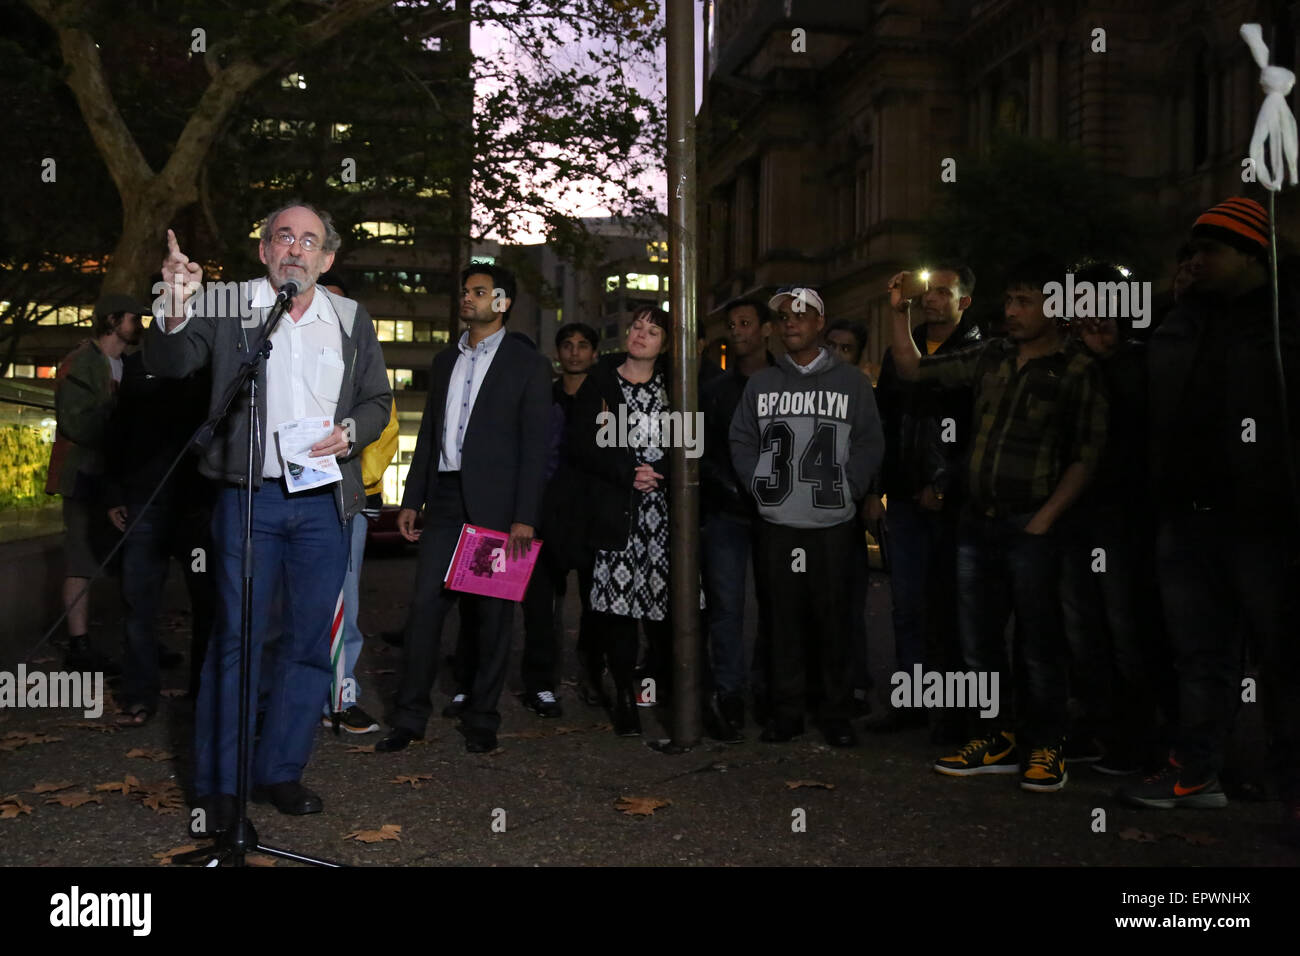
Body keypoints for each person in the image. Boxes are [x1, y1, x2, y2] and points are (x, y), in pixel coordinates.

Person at [146, 203, 392, 830]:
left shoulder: (351, 318)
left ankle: (279, 770)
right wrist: (175, 302)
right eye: (284, 236)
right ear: (264, 249)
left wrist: (352, 431)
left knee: (309, 644)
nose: (295, 249)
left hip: (322, 503)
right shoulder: (229, 303)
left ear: (327, 259)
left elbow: (377, 400)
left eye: (310, 241)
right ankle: (219, 784)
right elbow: (171, 362)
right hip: (248, 497)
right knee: (237, 640)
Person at [887, 257, 1107, 793]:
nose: (1011, 311)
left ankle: (1046, 745)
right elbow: (914, 369)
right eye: (1008, 300)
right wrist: (898, 314)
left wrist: (1044, 520)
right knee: (978, 642)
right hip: (976, 524)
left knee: (1039, 641)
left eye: (1024, 301)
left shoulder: (1077, 369)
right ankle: (997, 738)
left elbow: (1087, 454)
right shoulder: (991, 355)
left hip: (1031, 525)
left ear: (1053, 309)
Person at [1121, 199, 1300, 846]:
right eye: (1190, 250)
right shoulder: (1182, 319)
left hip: (1267, 523)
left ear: (1254, 255)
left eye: (1211, 250)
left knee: (1285, 661)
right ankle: (1196, 772)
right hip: (1187, 520)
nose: (1195, 260)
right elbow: (1141, 400)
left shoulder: (1284, 318)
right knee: (1199, 657)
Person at [376, 264, 551, 755]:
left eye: (478, 292)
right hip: (447, 500)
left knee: (493, 615)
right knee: (425, 608)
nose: (466, 298)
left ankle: (482, 716)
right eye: (465, 290)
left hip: (499, 507)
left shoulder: (528, 365)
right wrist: (413, 498)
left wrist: (525, 516)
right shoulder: (444, 361)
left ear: (502, 302)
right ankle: (410, 716)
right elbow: (429, 434)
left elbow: (535, 448)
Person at [729, 287, 885, 748]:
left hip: (831, 523)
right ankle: (787, 713)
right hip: (778, 522)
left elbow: (870, 442)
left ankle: (835, 713)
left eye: (801, 315)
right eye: (783, 317)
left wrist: (848, 489)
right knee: (781, 621)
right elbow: (740, 439)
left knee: (833, 619)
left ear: (820, 323)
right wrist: (760, 485)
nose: (790, 323)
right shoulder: (761, 383)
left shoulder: (852, 383)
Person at [1057, 262, 1167, 774]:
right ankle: (1097, 727)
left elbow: (1143, 428)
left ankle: (1140, 738)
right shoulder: (1064, 362)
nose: (1088, 316)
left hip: (1123, 517)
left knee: (1128, 628)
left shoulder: (1143, 360)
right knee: (1082, 629)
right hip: (1075, 516)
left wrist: (1108, 357)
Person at [870, 263, 981, 739]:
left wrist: (944, 483)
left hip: (954, 503)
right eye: (928, 291)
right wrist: (876, 488)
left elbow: (976, 430)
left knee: (955, 607)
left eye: (943, 292)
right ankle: (912, 703)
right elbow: (885, 422)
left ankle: (955, 713)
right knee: (907, 605)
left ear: (964, 301)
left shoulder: (979, 350)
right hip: (906, 497)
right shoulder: (903, 348)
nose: (932, 299)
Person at [570, 308, 682, 736]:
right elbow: (581, 445)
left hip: (665, 515)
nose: (641, 334)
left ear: (665, 344)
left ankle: (657, 694)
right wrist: (626, 473)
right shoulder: (600, 381)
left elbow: (692, 441)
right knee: (618, 611)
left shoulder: (674, 384)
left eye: (653, 331)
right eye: (637, 326)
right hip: (617, 511)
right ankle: (623, 695)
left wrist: (664, 474)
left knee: (662, 612)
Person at [104, 339, 214, 724]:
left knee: (208, 601)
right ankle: (138, 695)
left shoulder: (211, 362)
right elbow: (117, 429)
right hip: (146, 505)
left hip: (197, 509)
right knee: (138, 602)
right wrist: (115, 492)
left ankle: (204, 693)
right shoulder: (136, 366)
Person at [46, 293, 147, 674]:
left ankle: (132, 640)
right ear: (112, 320)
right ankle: (79, 643)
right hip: (85, 476)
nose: (138, 325)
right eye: (132, 318)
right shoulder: (82, 361)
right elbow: (75, 422)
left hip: (115, 477)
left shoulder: (125, 364)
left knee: (128, 558)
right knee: (80, 559)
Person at [316, 272, 398, 736]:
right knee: (285, 601)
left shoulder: (363, 358)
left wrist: (353, 480)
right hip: (289, 498)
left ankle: (341, 695)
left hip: (350, 501)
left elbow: (383, 429)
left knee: (344, 598)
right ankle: (288, 693)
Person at [699, 296, 774, 737]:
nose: (737, 331)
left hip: (776, 515)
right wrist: (728, 487)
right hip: (728, 511)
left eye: (746, 322)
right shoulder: (715, 391)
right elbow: (701, 453)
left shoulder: (788, 386)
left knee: (776, 605)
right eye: (732, 324)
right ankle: (730, 692)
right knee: (727, 606)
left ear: (765, 329)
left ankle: (766, 691)